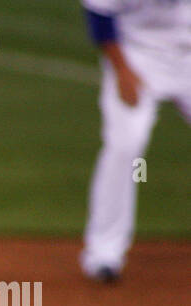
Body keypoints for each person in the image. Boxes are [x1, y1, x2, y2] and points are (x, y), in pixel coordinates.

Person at [79, 1, 191, 282]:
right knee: (124, 145)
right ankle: (104, 253)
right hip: (138, 56)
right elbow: (98, 12)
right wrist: (122, 71)